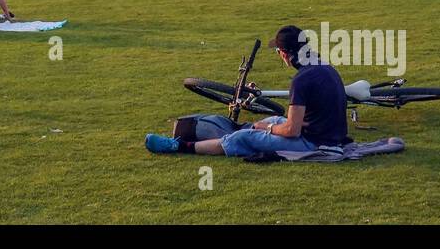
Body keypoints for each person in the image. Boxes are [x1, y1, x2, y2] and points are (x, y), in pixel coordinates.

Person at [145, 24, 348, 157]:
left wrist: (267, 129)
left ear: (285, 54)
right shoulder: (322, 65)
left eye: (277, 52)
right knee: (272, 121)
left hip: (314, 143)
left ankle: (179, 147)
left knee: (243, 137)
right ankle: (215, 135)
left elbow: (292, 130)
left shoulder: (302, 80)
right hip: (325, 132)